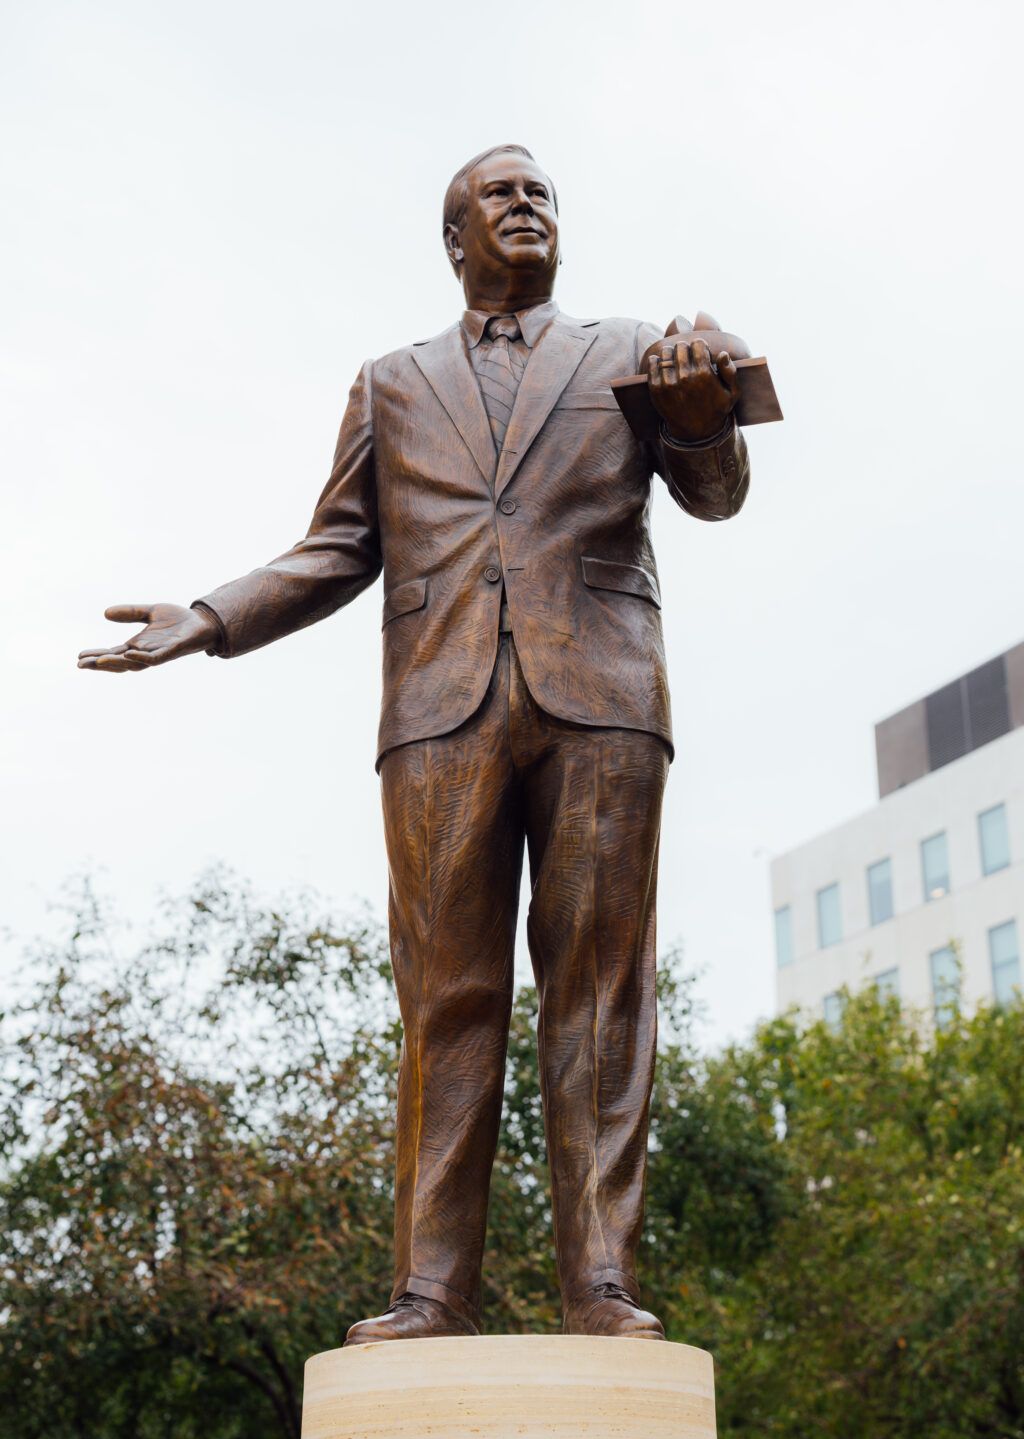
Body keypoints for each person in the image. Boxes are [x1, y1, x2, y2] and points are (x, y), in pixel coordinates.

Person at [79, 143, 750, 1345]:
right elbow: (339, 546)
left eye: (541, 193)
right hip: (439, 710)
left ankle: (601, 1282)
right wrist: (214, 617)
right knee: (446, 999)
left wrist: (703, 424)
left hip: (602, 695)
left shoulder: (630, 349)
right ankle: (431, 1290)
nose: (526, 205)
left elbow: (714, 494)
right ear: (454, 240)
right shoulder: (391, 382)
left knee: (603, 994)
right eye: (501, 193)